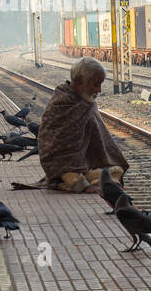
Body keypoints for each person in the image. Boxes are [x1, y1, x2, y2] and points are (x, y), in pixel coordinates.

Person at [38, 56, 128, 193]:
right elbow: (53, 148)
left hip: (84, 167)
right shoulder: (63, 103)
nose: (99, 90)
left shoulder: (86, 102)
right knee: (73, 178)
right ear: (80, 81)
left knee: (116, 171)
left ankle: (101, 183)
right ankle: (82, 184)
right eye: (96, 85)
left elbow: (98, 137)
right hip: (61, 169)